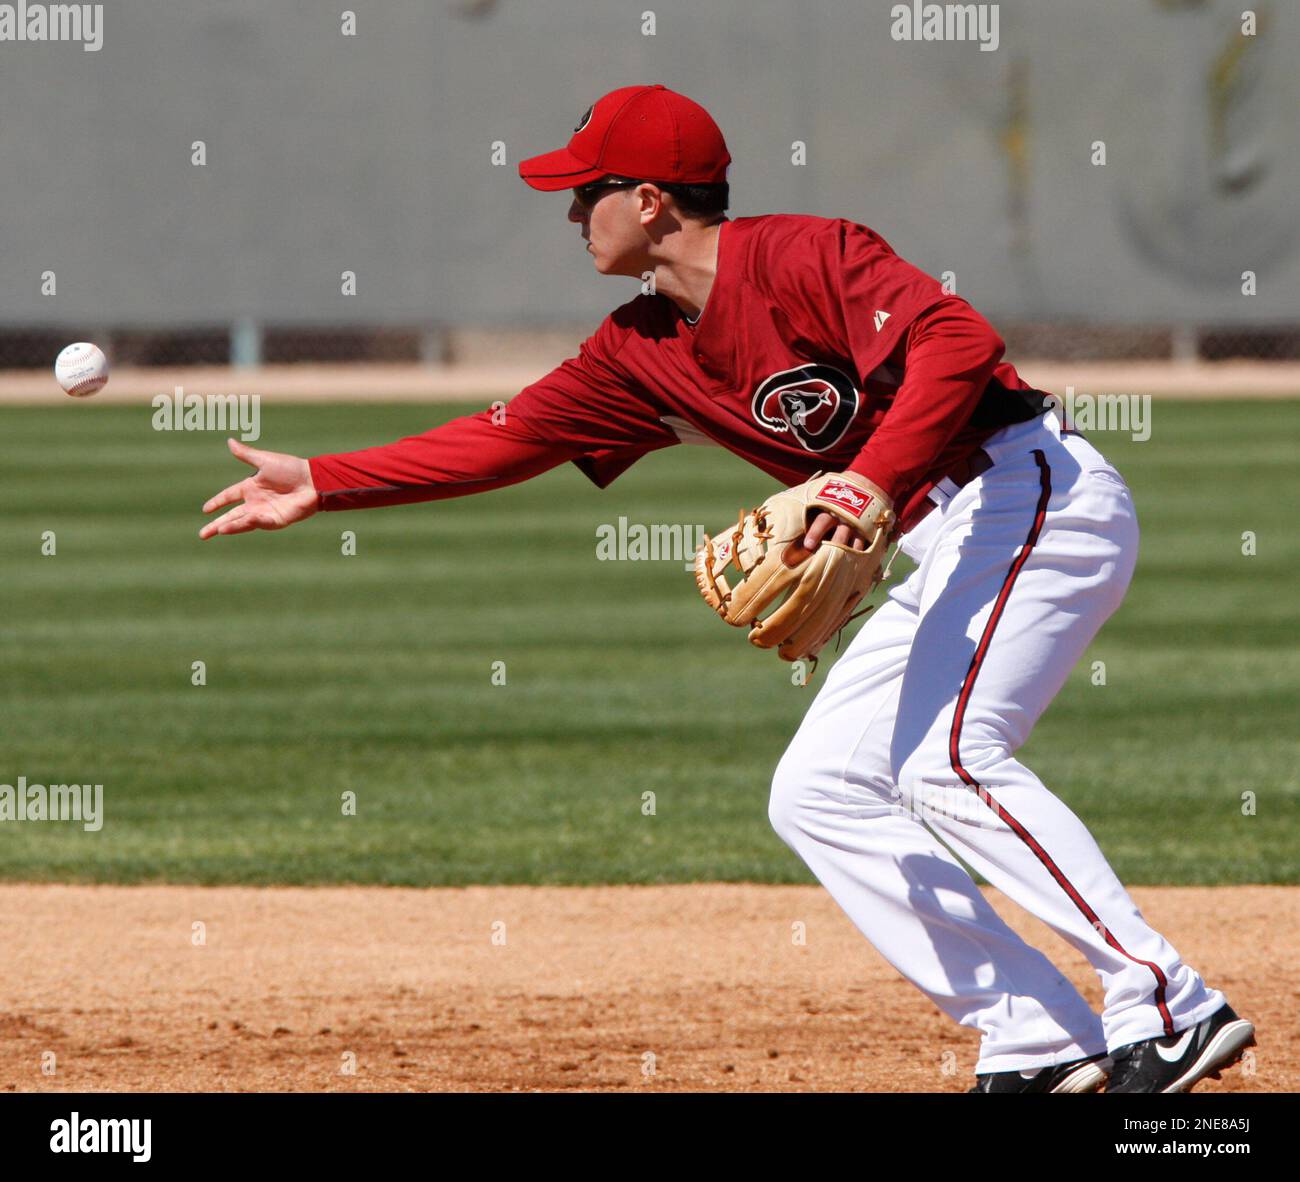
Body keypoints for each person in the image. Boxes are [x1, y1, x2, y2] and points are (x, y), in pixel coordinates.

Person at [200, 84, 1254, 1093]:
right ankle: (1031, 1036)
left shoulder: (805, 254)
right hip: (948, 539)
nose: (571, 211)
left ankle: (1165, 1004)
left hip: (1030, 493)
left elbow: (958, 342)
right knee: (820, 792)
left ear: (649, 199)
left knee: (942, 761)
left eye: (586, 189)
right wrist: (325, 482)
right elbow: (504, 439)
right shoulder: (638, 349)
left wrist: (865, 482)